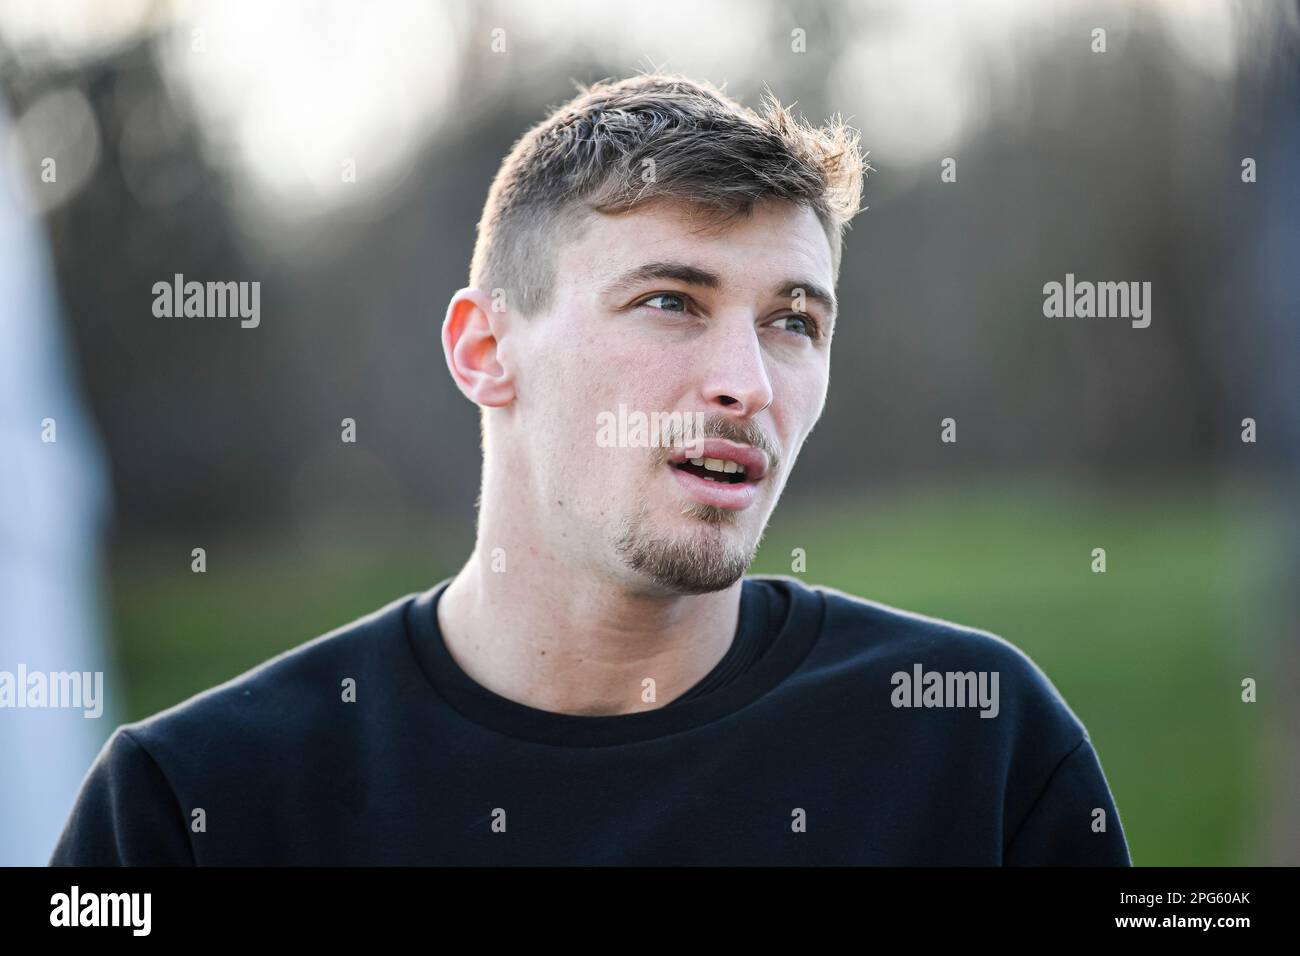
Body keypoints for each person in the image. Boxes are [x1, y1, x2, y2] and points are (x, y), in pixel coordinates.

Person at [50, 73, 1130, 866]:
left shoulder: (973, 749)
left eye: (794, 320)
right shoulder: (193, 806)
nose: (746, 382)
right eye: (671, 301)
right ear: (484, 348)